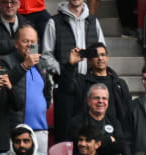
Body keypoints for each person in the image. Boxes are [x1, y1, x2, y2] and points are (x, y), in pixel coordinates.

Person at [41, 0, 104, 139]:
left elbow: (102, 52)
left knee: (92, 136)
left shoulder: (94, 22)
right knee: (65, 136)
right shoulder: (54, 22)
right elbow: (45, 57)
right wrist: (65, 70)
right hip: (65, 88)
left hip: (90, 86)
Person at [1, 25, 50, 148]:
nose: (29, 45)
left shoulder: (42, 64)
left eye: (33, 42)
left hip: (41, 129)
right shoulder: (5, 61)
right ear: (16, 44)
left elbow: (47, 93)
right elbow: (4, 83)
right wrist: (25, 65)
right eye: (25, 41)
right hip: (18, 130)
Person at [63, 42, 130, 127]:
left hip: (116, 134)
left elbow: (127, 110)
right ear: (89, 60)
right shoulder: (81, 81)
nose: (100, 58)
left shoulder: (119, 83)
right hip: (89, 133)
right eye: (96, 55)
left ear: (107, 58)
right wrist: (70, 65)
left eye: (103, 55)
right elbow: (66, 88)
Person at [66, 83, 129, 155]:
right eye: (96, 98)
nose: (100, 101)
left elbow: (121, 145)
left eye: (104, 98)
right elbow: (85, 148)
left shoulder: (114, 121)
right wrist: (109, 140)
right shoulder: (78, 121)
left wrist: (95, 142)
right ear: (88, 101)